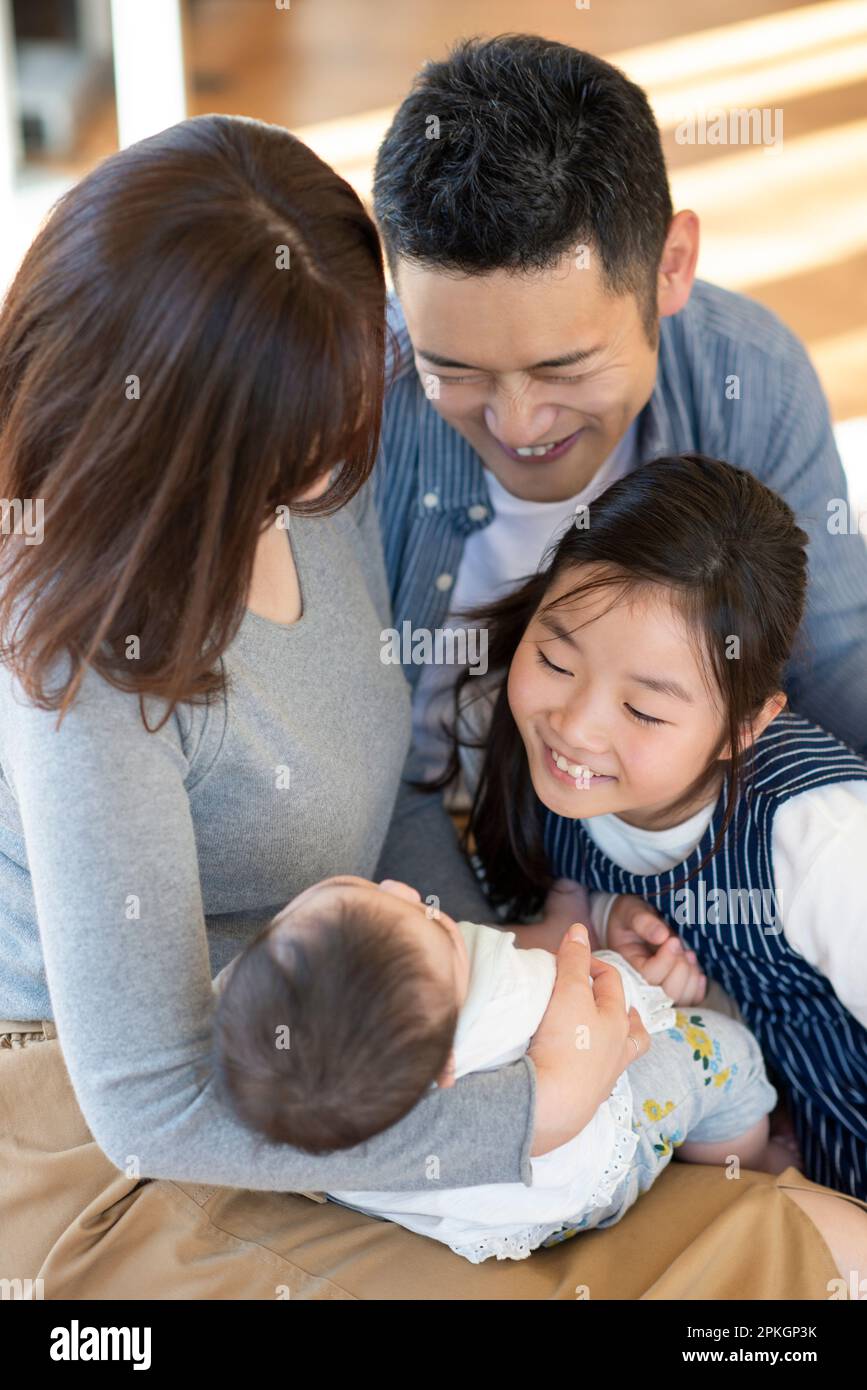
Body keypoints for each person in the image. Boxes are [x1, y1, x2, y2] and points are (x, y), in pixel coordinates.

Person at [0, 113, 631, 1294]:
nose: (344, 457)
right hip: (112, 1125)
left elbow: (378, 790)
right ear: (192, 451)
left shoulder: (303, 479)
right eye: (301, 438)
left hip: (352, 1035)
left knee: (753, 1233)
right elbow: (149, 1099)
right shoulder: (83, 665)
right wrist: (526, 1107)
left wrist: (504, 967)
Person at [368, 34, 867, 871]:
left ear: (671, 267)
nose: (520, 425)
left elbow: (835, 659)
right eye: (452, 369)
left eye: (564, 367)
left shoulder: (747, 373)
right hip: (414, 846)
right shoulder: (347, 409)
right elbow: (358, 788)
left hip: (665, 865)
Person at [438, 453, 867, 1201]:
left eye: (642, 711)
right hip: (676, 1148)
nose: (574, 728)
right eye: (554, 659)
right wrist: (597, 919)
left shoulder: (818, 839)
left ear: (744, 725)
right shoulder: (511, 737)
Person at [212, 873, 785, 1264]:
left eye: (366, 892)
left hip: (490, 1221)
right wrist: (652, 986)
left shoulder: (267, 1034)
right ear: (445, 1073)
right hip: (594, 1166)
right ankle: (750, 1157)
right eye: (426, 919)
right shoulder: (504, 991)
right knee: (723, 1053)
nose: (401, 887)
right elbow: (603, 998)